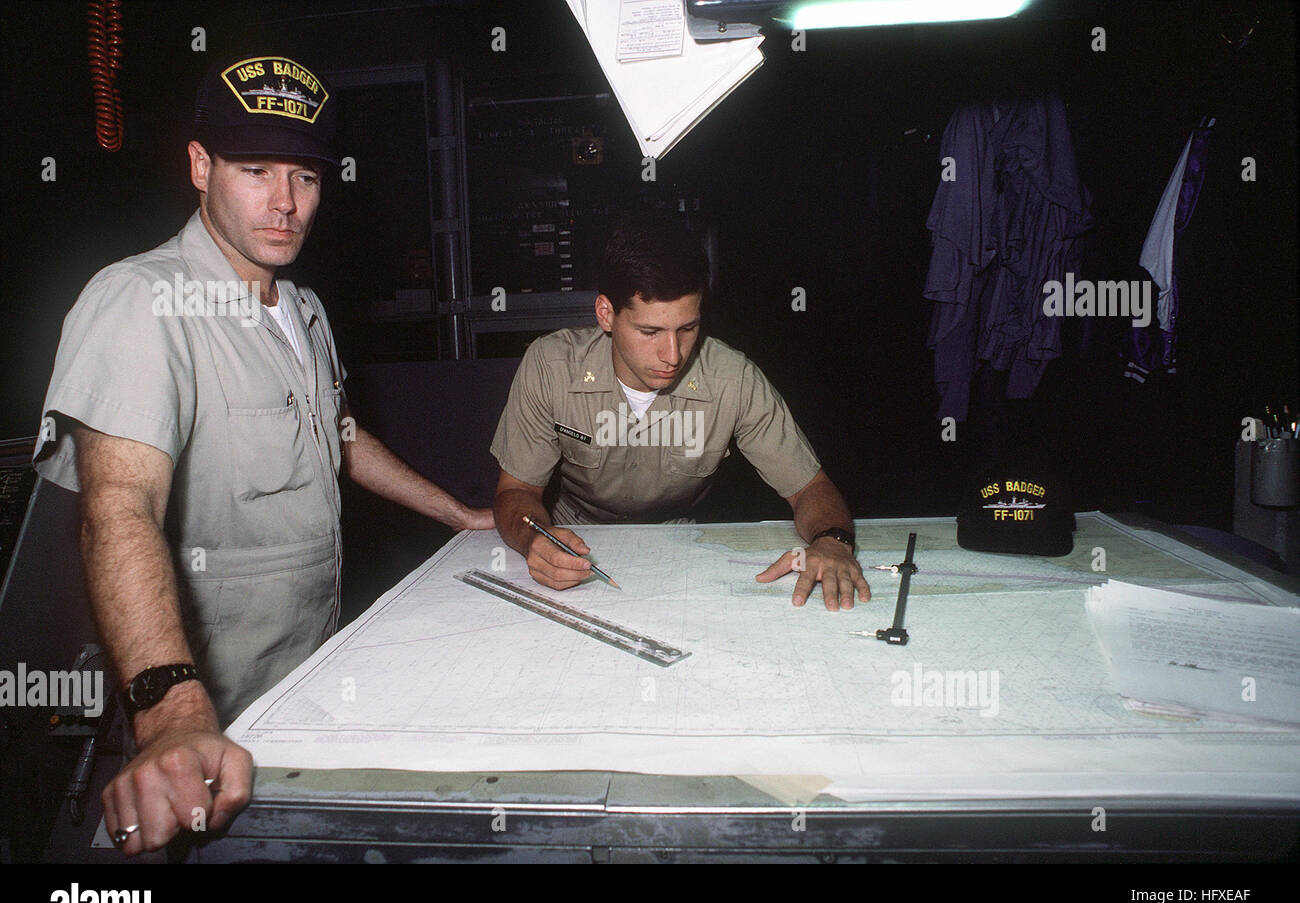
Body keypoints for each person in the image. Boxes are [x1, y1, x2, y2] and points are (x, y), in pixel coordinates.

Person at [31, 53, 492, 856]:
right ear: (200, 166)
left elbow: (340, 436)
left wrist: (459, 514)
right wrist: (170, 713)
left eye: (306, 177)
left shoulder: (304, 309)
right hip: (197, 726)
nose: (285, 204)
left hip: (302, 702)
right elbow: (119, 505)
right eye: (255, 171)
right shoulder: (140, 299)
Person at [491, 216, 870, 611]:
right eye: (650, 332)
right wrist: (535, 539)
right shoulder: (549, 366)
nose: (673, 355)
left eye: (687, 328)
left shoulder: (732, 377)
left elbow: (810, 488)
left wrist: (832, 541)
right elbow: (516, 493)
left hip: (679, 547)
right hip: (571, 537)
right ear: (606, 314)